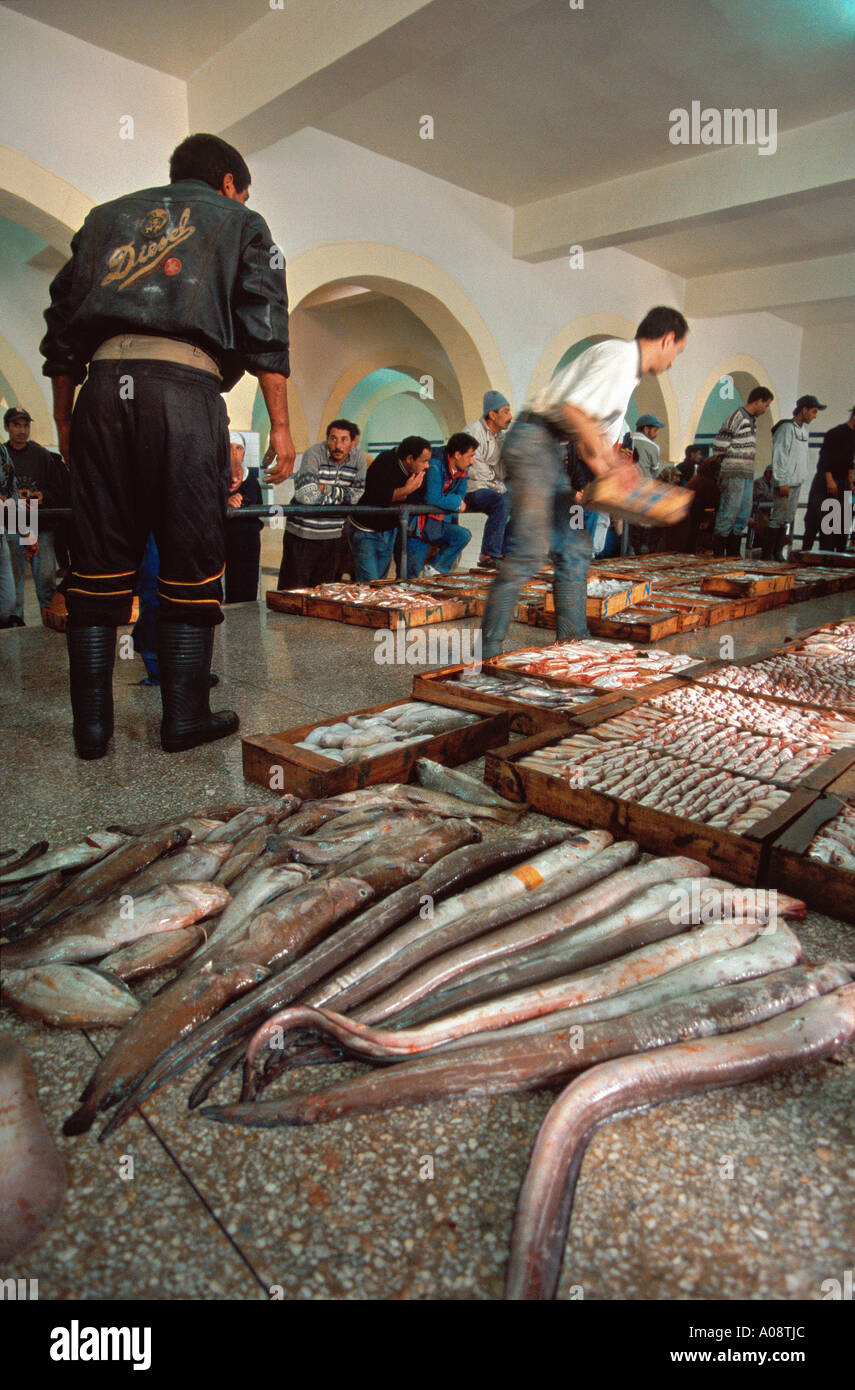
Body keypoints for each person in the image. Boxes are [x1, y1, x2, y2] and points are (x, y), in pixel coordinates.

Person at [40, 132, 294, 758]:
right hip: (182, 391)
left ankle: (92, 732)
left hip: (102, 393)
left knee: (96, 568)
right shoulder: (239, 220)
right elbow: (265, 322)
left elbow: (62, 326)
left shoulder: (103, 220)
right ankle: (184, 719)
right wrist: (282, 425)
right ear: (230, 184)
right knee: (189, 555)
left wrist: (66, 421)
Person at [480, 306, 688, 659]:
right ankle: (486, 650)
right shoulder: (621, 357)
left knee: (574, 547)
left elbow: (591, 447)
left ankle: (573, 643)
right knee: (530, 550)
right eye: (677, 352)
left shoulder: (628, 379)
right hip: (532, 442)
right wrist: (617, 469)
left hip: (549, 450)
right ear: (667, 339)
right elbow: (575, 414)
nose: (672, 362)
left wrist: (626, 484)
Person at [278, 419, 367, 589]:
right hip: (302, 536)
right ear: (327, 439)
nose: (338, 445)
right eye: (333, 439)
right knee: (293, 591)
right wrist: (341, 498)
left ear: (352, 442)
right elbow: (307, 496)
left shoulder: (359, 460)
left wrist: (325, 488)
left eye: (344, 439)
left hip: (332, 536)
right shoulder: (314, 454)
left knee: (323, 592)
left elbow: (357, 497)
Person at [3, 406, 69, 620]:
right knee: (13, 583)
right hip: (12, 525)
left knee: (46, 579)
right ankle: (16, 623)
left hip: (40, 525)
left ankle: (48, 621)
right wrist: (14, 498)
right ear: (7, 427)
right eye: (16, 425)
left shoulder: (40, 454)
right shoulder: (3, 456)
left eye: (25, 425)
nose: (22, 430)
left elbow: (56, 487)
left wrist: (42, 496)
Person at [345, 436, 431, 581]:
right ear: (410, 459)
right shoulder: (385, 462)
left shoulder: (419, 473)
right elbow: (376, 497)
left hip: (389, 531)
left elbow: (418, 499)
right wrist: (405, 490)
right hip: (366, 531)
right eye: (424, 461)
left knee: (381, 583)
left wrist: (401, 494)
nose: (427, 465)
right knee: (370, 583)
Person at [710, 387, 774, 556]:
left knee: (742, 516)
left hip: (745, 475)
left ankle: (733, 553)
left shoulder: (752, 421)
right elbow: (719, 446)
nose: (765, 409)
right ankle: (717, 555)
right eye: (765, 405)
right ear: (758, 401)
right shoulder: (736, 417)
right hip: (733, 474)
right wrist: (723, 471)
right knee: (728, 513)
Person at [406, 432, 476, 577]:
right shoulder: (435, 463)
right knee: (410, 576)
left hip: (436, 525)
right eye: (470, 456)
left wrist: (451, 500)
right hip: (417, 526)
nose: (472, 461)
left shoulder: (462, 470)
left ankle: (434, 570)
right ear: (457, 454)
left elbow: (460, 496)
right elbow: (433, 497)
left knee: (462, 535)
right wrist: (454, 502)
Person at [765, 395, 825, 559]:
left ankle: (778, 553)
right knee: (777, 518)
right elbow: (779, 456)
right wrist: (781, 481)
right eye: (813, 412)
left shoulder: (803, 431)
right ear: (803, 410)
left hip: (796, 482)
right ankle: (767, 554)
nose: (815, 416)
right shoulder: (786, 428)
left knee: (788, 519)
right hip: (785, 483)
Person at [464, 391, 513, 568]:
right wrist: (494, 477)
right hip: (472, 488)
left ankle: (505, 552)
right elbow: (474, 468)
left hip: (493, 486)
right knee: (500, 502)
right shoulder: (473, 432)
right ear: (492, 415)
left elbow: (502, 470)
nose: (510, 416)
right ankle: (488, 554)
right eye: (506, 411)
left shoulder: (500, 437)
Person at [801, 405, 855, 552]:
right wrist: (830, 480)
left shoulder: (852, 436)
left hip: (843, 485)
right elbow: (825, 461)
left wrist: (850, 483)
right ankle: (819, 555)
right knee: (825, 524)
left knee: (843, 523)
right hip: (827, 484)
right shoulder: (836, 433)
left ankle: (840, 553)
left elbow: (849, 462)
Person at [224, 432, 264, 603]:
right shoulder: (214, 478)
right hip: (221, 540)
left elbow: (257, 505)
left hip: (247, 543)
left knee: (245, 592)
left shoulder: (251, 480)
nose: (234, 452)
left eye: (238, 448)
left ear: (244, 453)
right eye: (229, 447)